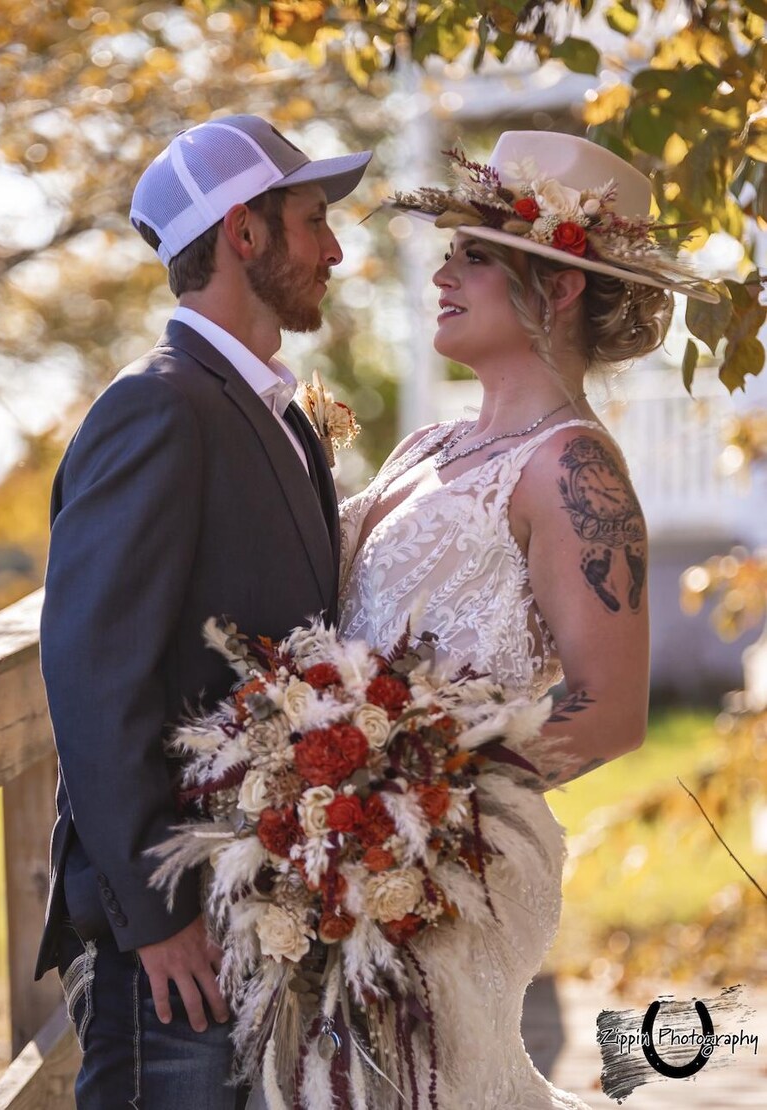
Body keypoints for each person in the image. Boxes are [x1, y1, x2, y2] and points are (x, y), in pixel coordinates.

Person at [336, 130, 718, 1107]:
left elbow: (607, 714)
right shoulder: (424, 444)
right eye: (448, 249)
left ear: (555, 288)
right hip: (343, 853)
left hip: (448, 859)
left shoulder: (570, 469)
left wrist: (415, 810)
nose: (440, 272)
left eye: (474, 254)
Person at [35, 114, 370, 1109]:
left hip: (263, 924)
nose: (335, 249)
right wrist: (153, 913)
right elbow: (93, 670)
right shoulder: (157, 408)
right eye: (313, 219)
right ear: (244, 232)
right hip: (173, 957)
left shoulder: (275, 415)